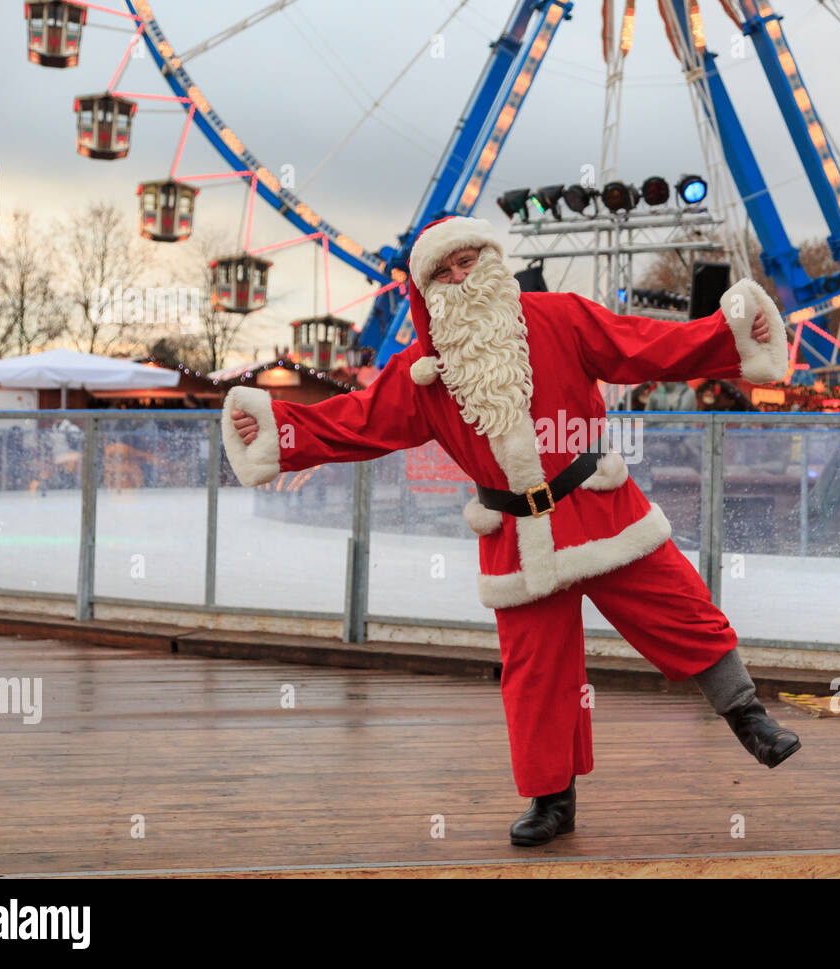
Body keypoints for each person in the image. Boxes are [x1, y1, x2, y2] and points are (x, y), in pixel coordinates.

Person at [223, 216, 800, 847]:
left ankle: (748, 716)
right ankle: (551, 798)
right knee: (535, 672)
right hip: (516, 537)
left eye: (467, 262)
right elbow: (356, 421)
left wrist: (729, 335)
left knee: (680, 607)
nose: (459, 278)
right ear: (426, 291)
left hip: (598, 506)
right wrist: (279, 431)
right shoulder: (424, 372)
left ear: (492, 260)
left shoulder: (561, 317)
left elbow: (644, 346)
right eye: (443, 273)